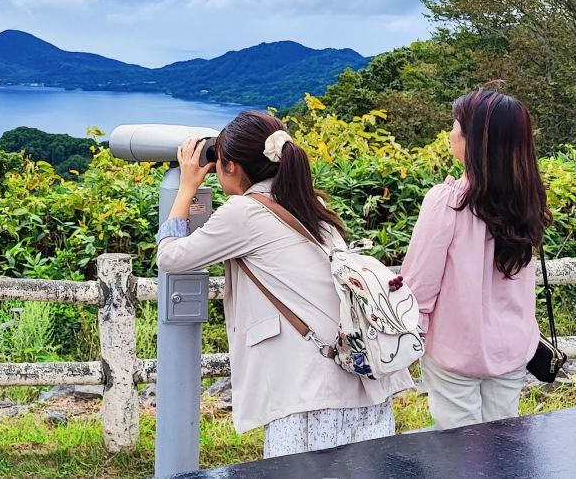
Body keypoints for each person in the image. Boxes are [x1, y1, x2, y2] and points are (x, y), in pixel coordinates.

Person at [156, 111, 413, 459]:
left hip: (310, 394)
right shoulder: (310, 201)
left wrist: (186, 189)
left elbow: (171, 257)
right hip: (362, 380)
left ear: (231, 166)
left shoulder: (244, 213)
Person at [402, 89, 550, 430]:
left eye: (456, 125)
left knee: (460, 449)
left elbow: (419, 288)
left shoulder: (448, 203)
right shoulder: (528, 201)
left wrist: (410, 344)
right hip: (512, 348)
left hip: (455, 352)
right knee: (503, 441)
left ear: (475, 143)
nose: (451, 132)